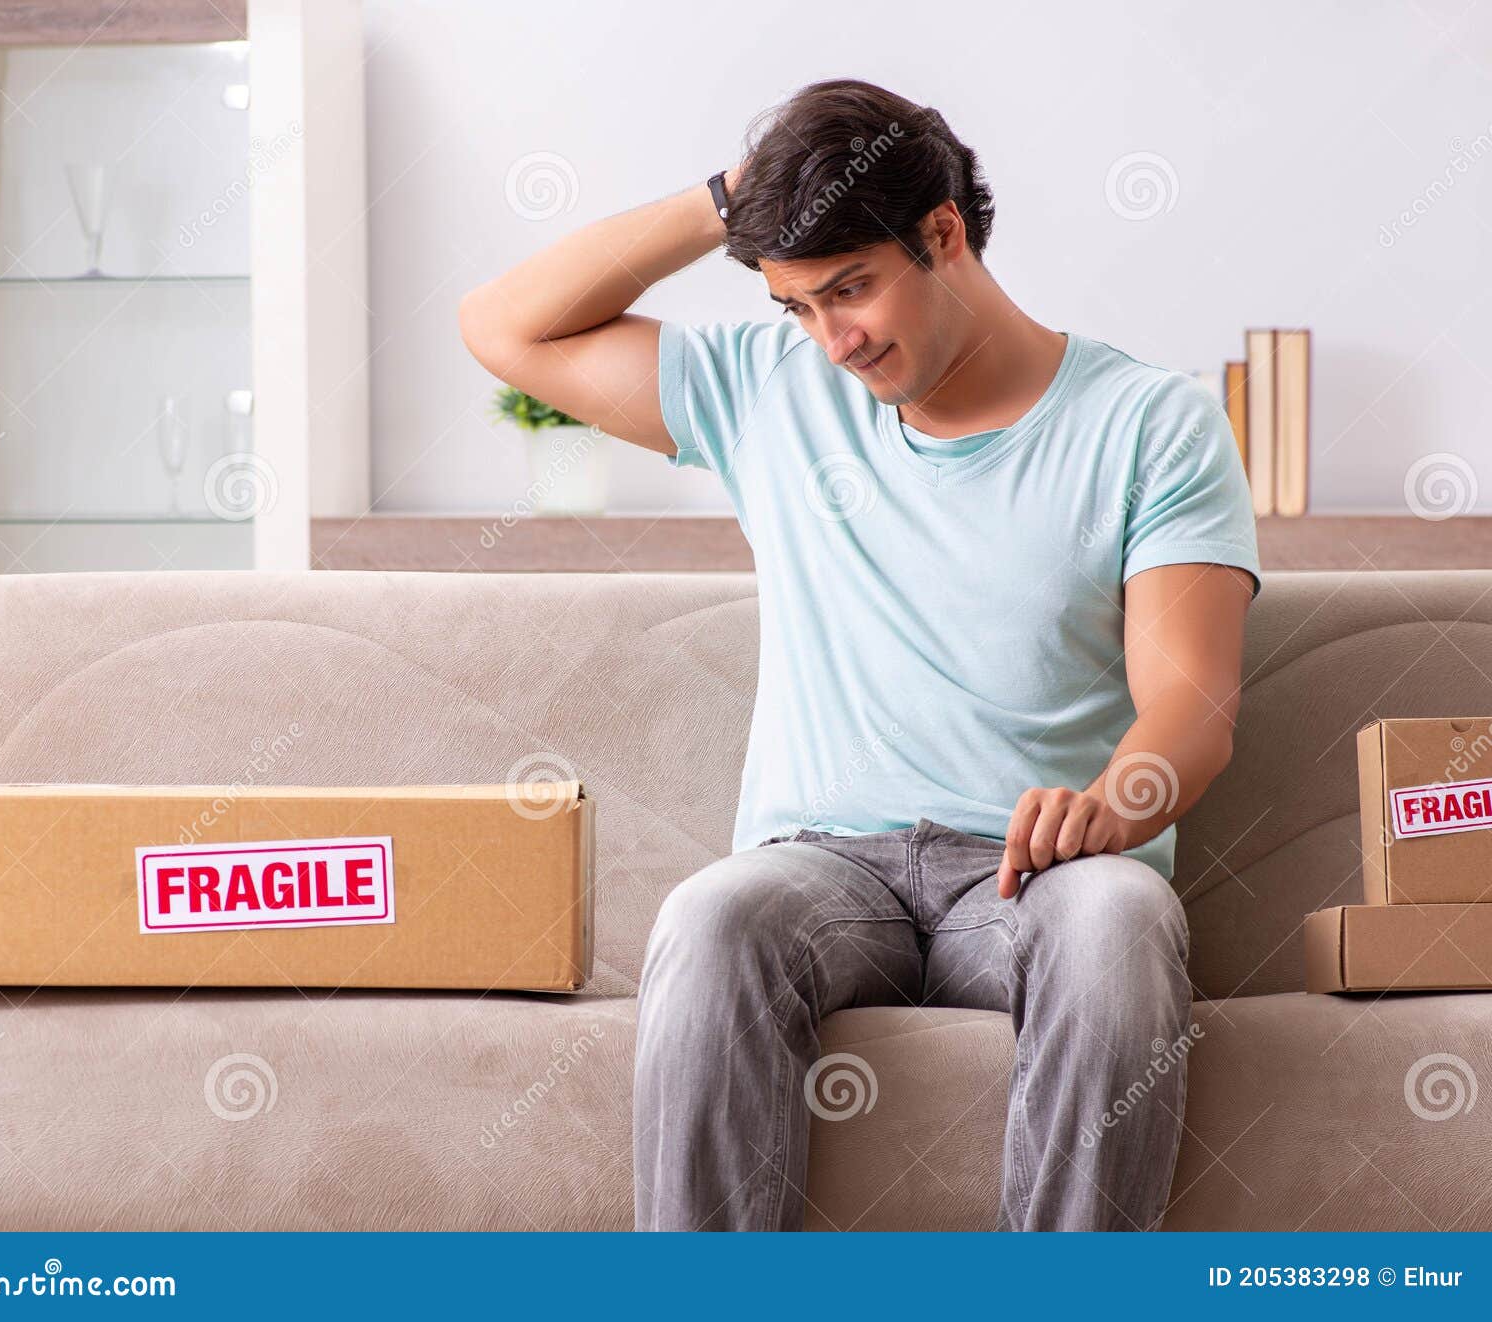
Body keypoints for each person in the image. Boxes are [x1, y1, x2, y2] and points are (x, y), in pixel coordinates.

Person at [459, 78, 1260, 1232]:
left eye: (851, 289)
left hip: (1032, 873)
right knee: (711, 917)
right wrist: (731, 200)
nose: (835, 341)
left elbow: (1189, 696)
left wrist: (1116, 801)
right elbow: (504, 326)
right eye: (796, 305)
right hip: (824, 870)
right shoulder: (765, 392)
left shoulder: (1146, 423)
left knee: (1117, 922)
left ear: (942, 232)